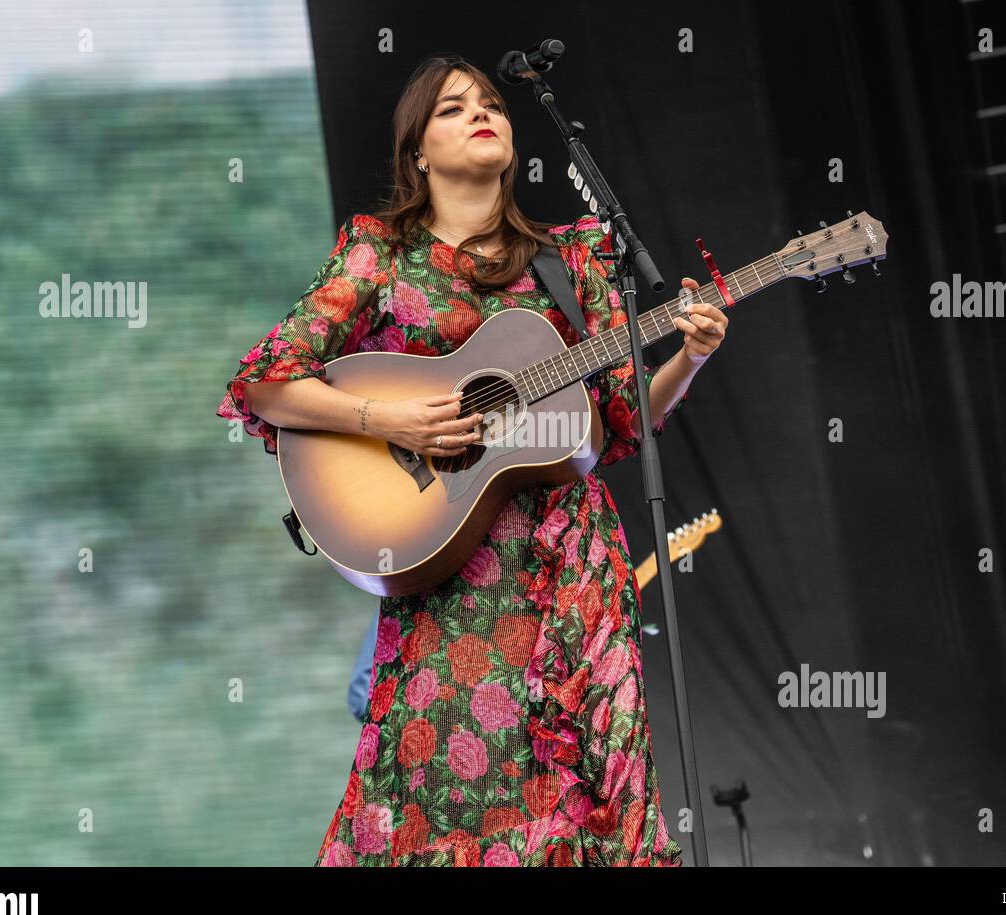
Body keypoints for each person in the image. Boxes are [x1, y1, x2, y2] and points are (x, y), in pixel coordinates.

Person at [217, 54, 728, 866]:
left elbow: (624, 422)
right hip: (448, 573)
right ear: (418, 150)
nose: (482, 113)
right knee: (454, 795)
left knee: (594, 786)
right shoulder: (378, 253)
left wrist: (690, 357)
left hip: (571, 565)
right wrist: (388, 420)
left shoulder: (574, 259)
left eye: (491, 103)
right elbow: (267, 382)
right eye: (454, 109)